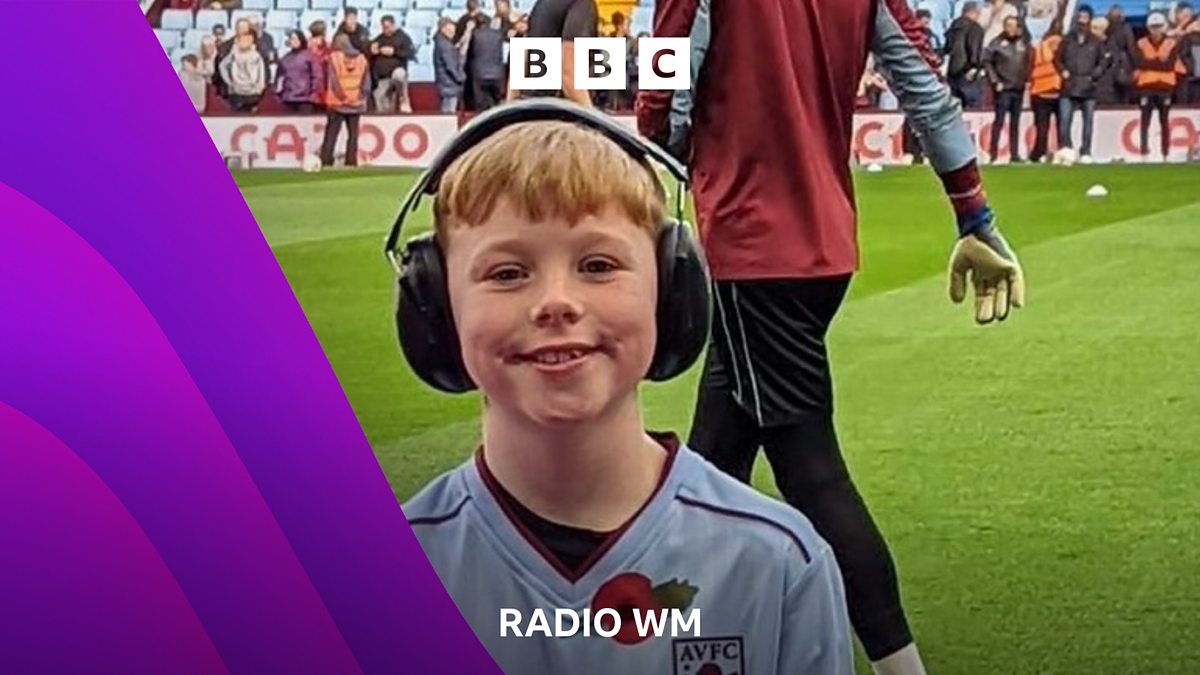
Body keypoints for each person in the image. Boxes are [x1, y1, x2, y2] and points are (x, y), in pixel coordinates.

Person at [394, 100, 854, 675]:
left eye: (598, 265)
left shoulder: (778, 563)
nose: (556, 302)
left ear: (672, 291)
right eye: (507, 273)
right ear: (435, 310)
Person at [639, 0, 1027, 674]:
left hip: (753, 248)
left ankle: (900, 665)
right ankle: (665, 644)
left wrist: (647, 170)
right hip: (823, 247)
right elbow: (925, 90)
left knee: (812, 473)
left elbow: (665, 94)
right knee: (711, 462)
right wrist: (975, 217)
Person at [508, 0, 597, 105]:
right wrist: (591, 115)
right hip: (561, 109)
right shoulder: (581, 5)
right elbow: (568, 73)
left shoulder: (540, 5)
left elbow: (521, 62)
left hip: (532, 105)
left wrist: (509, 106)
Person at [1055, 5, 1106, 163]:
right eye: (1080, 17)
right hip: (1069, 86)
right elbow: (1057, 59)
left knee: (1088, 123)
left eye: (1085, 17)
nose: (1082, 21)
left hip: (1088, 87)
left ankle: (1085, 151)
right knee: (1064, 121)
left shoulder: (1096, 41)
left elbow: (1103, 62)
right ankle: (1066, 149)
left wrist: (1095, 74)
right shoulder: (1067, 39)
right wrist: (1062, 70)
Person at [1134, 13, 1181, 162]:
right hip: (1147, 87)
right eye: (1153, 27)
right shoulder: (1141, 43)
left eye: (1159, 27)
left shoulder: (1171, 43)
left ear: (1163, 27)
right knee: (1144, 121)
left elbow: (1169, 65)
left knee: (1164, 122)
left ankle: (1165, 154)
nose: (1156, 30)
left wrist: (1151, 62)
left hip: (1165, 87)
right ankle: (1143, 153)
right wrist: (1158, 62)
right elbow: (1140, 63)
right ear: (1148, 28)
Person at [319, 34, 370, 168]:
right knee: (353, 135)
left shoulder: (334, 58)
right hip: (356, 103)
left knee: (331, 134)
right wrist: (360, 97)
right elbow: (366, 83)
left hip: (337, 103)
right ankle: (351, 162)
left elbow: (333, 81)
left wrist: (343, 97)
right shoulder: (362, 59)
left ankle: (326, 160)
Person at [985, 15, 1031, 162]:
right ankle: (993, 154)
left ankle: (1015, 154)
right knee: (999, 121)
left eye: (1014, 25)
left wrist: (1026, 79)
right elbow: (987, 62)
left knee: (1015, 123)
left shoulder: (1022, 42)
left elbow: (1027, 62)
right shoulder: (996, 43)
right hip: (1003, 87)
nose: (1011, 28)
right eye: (1008, 25)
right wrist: (995, 81)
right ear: (1004, 26)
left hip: (1018, 87)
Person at [1028, 15, 1064, 163]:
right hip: (1059, 90)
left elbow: (1029, 67)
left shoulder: (1039, 46)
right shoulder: (1064, 44)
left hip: (1039, 91)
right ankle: (1062, 153)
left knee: (1042, 127)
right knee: (1063, 127)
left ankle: (1038, 154)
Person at [945, 2, 987, 109]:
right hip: (967, 72)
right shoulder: (975, 28)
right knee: (973, 107)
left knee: (955, 107)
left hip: (952, 72)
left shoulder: (953, 27)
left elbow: (947, 49)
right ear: (973, 12)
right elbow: (974, 49)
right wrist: (973, 68)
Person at [370, 15, 416, 113]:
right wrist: (371, 50)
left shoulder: (403, 37)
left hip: (397, 71)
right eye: (383, 27)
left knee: (399, 75)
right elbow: (370, 52)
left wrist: (394, 52)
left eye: (388, 27)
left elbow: (410, 53)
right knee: (379, 96)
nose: (386, 30)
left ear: (393, 25)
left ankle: (404, 100)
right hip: (383, 77)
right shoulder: (379, 39)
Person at [219, 33, 266, 112]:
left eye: (248, 40)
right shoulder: (233, 55)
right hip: (236, 93)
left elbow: (261, 73)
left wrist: (259, 88)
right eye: (243, 40)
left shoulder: (256, 56)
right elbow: (222, 66)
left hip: (252, 93)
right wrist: (229, 82)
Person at [276, 30, 317, 114]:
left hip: (305, 100)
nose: (293, 41)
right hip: (288, 99)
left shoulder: (309, 56)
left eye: (295, 39)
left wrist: (312, 93)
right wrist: (279, 94)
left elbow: (316, 76)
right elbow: (279, 78)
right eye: (291, 39)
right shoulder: (285, 59)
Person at [433, 17, 467, 113]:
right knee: (449, 115)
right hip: (449, 86)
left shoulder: (441, 43)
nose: (453, 33)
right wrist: (461, 78)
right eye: (450, 30)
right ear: (442, 29)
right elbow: (451, 66)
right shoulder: (445, 46)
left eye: (453, 30)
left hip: (445, 84)